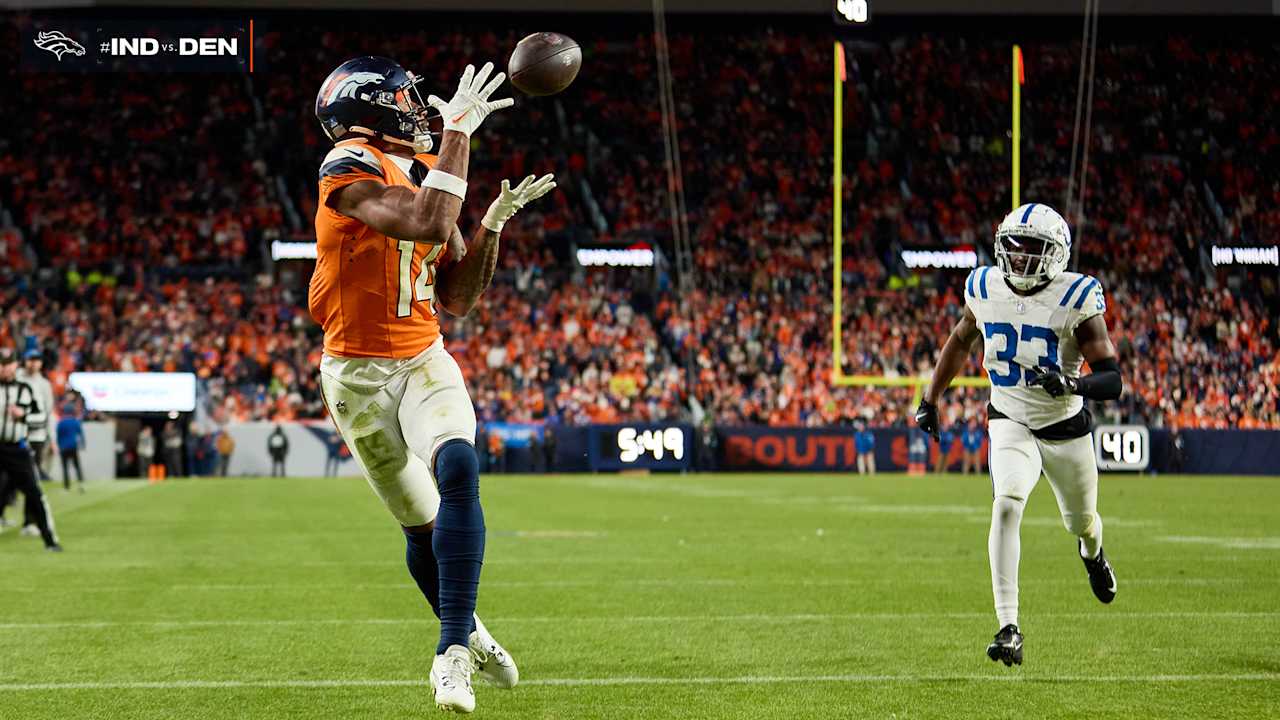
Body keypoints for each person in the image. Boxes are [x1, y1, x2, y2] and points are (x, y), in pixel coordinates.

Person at [311, 57, 553, 712]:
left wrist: (493, 223)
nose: (421, 109)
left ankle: (450, 653)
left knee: (459, 464)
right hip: (356, 378)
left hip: (422, 358)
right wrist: (460, 136)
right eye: (406, 99)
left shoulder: (429, 176)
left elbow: (460, 296)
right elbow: (420, 220)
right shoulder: (347, 164)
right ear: (369, 109)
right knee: (419, 526)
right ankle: (468, 624)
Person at [916, 203, 1123, 668]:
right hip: (1009, 420)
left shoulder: (1078, 297)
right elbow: (960, 340)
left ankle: (1092, 553)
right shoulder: (985, 285)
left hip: (1065, 429)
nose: (1021, 257)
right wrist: (930, 399)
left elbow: (1112, 378)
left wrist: (1073, 383)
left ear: (1056, 255)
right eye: (1014, 246)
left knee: (1082, 521)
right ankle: (1009, 626)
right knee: (1007, 502)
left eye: (1033, 249)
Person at [0, 347, 61, 551]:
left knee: (34, 493)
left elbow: (41, 417)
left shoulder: (25, 389)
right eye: (2, 364)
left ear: (15, 365)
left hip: (17, 447)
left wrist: (22, 416)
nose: (5, 368)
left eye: (8, 364)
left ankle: (49, 540)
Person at [16, 349, 55, 482]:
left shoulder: (44, 384)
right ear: (25, 361)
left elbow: (49, 411)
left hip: (38, 431)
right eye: (31, 360)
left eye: (37, 360)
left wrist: (52, 438)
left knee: (34, 467)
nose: (33, 364)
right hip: (18, 430)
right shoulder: (16, 378)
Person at [55, 411, 85, 492]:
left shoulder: (61, 422)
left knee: (65, 467)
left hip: (63, 448)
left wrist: (58, 445)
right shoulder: (75, 422)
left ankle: (66, 486)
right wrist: (83, 444)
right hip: (73, 447)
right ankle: (81, 484)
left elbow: (58, 435)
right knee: (77, 466)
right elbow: (81, 434)